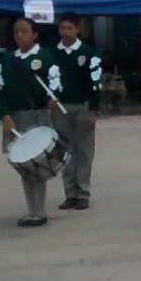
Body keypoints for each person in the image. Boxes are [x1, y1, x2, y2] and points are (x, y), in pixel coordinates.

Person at [0, 18, 62, 227]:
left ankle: (39, 211)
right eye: (16, 32)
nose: (20, 36)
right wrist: (5, 116)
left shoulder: (45, 57)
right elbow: (0, 91)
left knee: (37, 162)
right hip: (16, 116)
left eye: (24, 32)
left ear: (34, 34)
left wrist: (53, 99)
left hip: (38, 114)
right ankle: (31, 208)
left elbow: (55, 84)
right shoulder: (7, 59)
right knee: (23, 163)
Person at [51, 14, 102, 211]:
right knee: (65, 150)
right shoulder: (52, 53)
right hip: (60, 107)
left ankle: (83, 192)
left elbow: (95, 84)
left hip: (82, 107)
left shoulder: (88, 53)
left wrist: (93, 111)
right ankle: (69, 193)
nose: (65, 32)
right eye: (62, 28)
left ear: (78, 29)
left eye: (69, 28)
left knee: (84, 150)